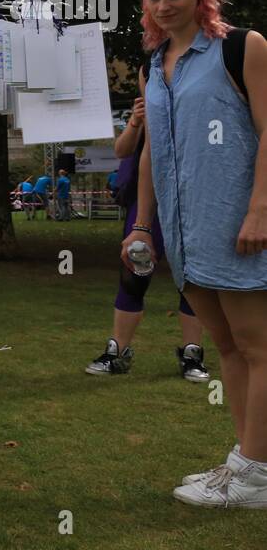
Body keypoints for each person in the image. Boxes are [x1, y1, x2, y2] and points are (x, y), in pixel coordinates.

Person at [121, 0, 267, 508]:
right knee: (227, 347)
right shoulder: (152, 68)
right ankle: (246, 462)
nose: (162, 5)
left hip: (239, 225)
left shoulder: (242, 47)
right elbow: (154, 150)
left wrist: (260, 207)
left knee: (259, 346)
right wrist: (141, 225)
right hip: (186, 236)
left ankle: (256, 474)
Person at [87, 80, 208, 381]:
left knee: (191, 280)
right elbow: (122, 150)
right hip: (146, 207)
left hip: (191, 203)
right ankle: (118, 352)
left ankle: (192, 354)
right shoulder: (146, 112)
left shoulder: (197, 108)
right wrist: (136, 121)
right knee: (133, 276)